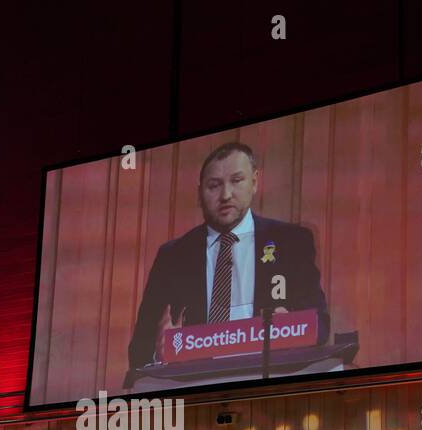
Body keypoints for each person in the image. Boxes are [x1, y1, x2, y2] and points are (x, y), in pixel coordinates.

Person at [125, 141, 329, 375]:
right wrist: (157, 353)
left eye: (236, 181)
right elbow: (139, 349)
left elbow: (320, 327)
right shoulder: (173, 255)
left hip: (267, 384)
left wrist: (294, 328)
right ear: (199, 192)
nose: (226, 195)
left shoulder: (291, 241)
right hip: (195, 390)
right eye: (214, 185)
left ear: (254, 182)